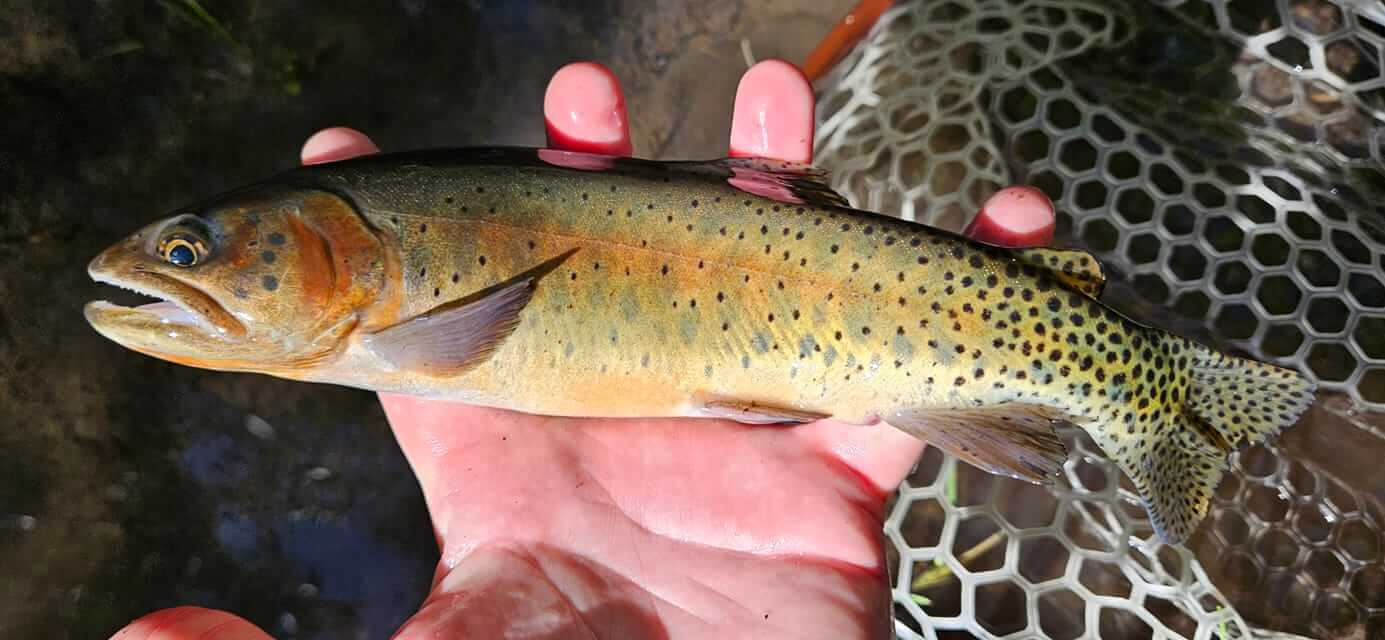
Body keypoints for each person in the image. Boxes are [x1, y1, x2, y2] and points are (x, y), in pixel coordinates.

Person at [111, 60, 1054, 640]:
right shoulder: (371, 312)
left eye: (189, 254)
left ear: (332, 241)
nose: (171, 272)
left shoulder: (384, 320)